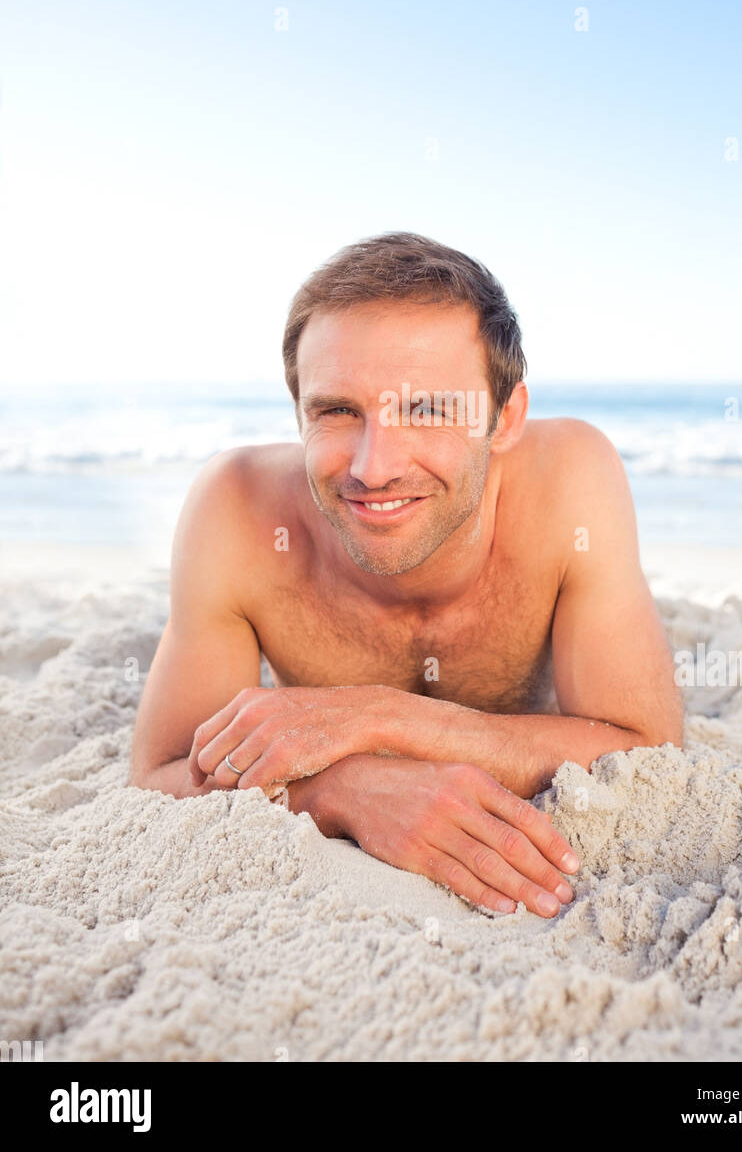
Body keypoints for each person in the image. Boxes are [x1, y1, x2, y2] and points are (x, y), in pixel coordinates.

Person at [129, 233, 682, 917]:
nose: (372, 467)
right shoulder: (234, 508)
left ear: (505, 418)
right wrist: (339, 789)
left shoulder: (572, 481)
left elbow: (648, 750)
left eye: (426, 410)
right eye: (337, 411)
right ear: (298, 412)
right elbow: (158, 776)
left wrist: (376, 717)